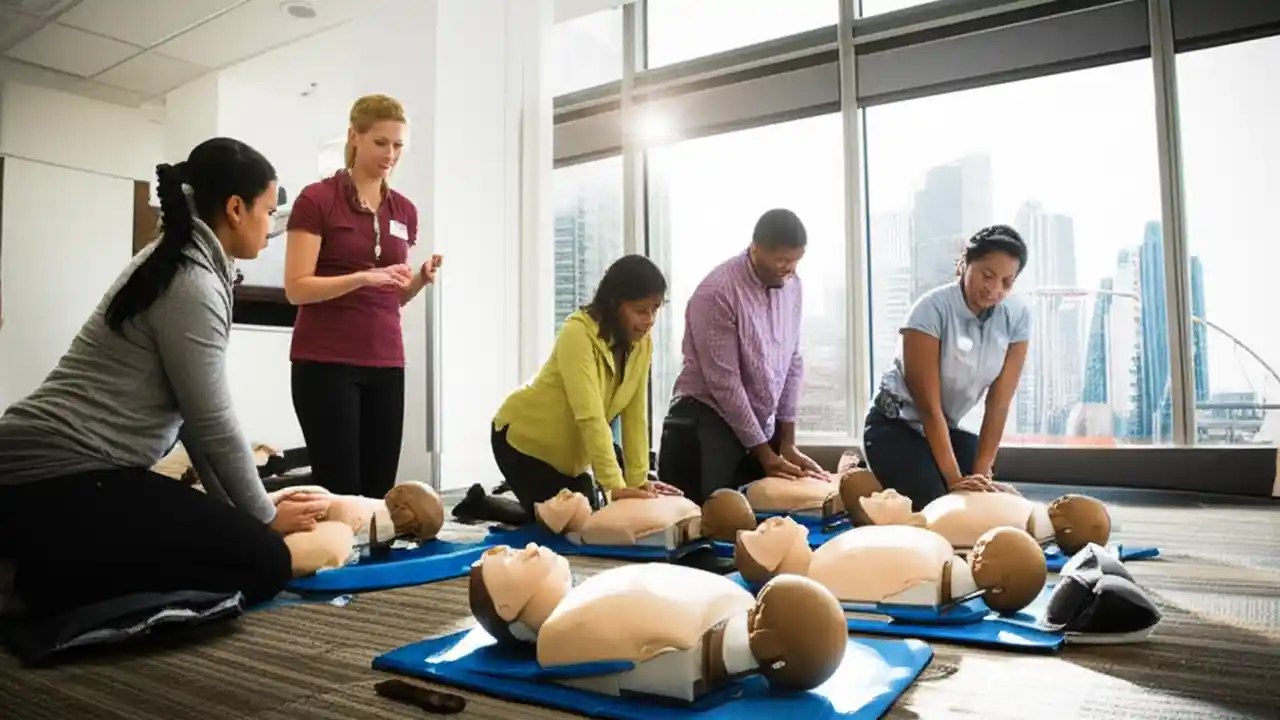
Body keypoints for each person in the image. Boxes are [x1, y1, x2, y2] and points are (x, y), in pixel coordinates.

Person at [0, 138, 325, 618]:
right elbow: (215, 423)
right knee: (265, 564)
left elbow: (195, 423)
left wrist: (245, 514)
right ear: (236, 208)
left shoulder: (179, 260)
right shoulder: (191, 280)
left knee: (242, 544)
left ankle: (42, 564)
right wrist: (265, 520)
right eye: (268, 209)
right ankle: (31, 581)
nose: (270, 225)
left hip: (71, 476)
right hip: (56, 477)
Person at [284, 94, 440, 498]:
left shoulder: (404, 211)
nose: (391, 154)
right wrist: (363, 277)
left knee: (377, 493)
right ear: (354, 137)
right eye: (381, 142)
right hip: (325, 362)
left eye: (398, 145)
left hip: (386, 362)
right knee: (339, 492)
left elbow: (391, 296)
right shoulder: (317, 199)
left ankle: (372, 562)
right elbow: (296, 287)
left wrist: (418, 281)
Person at [484, 254, 682, 518]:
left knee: (590, 517)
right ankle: (482, 502)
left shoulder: (642, 343)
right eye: (640, 310)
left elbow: (635, 416)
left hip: (571, 459)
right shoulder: (576, 333)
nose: (649, 320)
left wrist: (637, 483)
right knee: (567, 521)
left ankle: (519, 499)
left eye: (655, 309)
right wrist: (615, 488)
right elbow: (590, 416)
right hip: (523, 443)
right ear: (615, 304)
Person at [657, 209, 825, 505]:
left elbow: (791, 362)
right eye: (782, 260)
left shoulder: (793, 284)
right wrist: (763, 452)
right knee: (710, 517)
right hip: (706, 418)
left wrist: (786, 443)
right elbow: (725, 383)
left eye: (796, 260)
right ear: (755, 248)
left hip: (756, 423)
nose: (789, 269)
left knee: (761, 519)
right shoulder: (717, 292)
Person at [863, 224, 1031, 509]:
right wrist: (955, 481)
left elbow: (999, 404)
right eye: (987, 276)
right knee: (940, 504)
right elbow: (929, 407)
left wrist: (979, 475)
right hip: (894, 426)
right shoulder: (929, 310)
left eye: (1007, 281)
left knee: (991, 496)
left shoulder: (1016, 318)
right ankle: (858, 470)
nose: (994, 289)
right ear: (965, 264)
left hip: (944, 432)